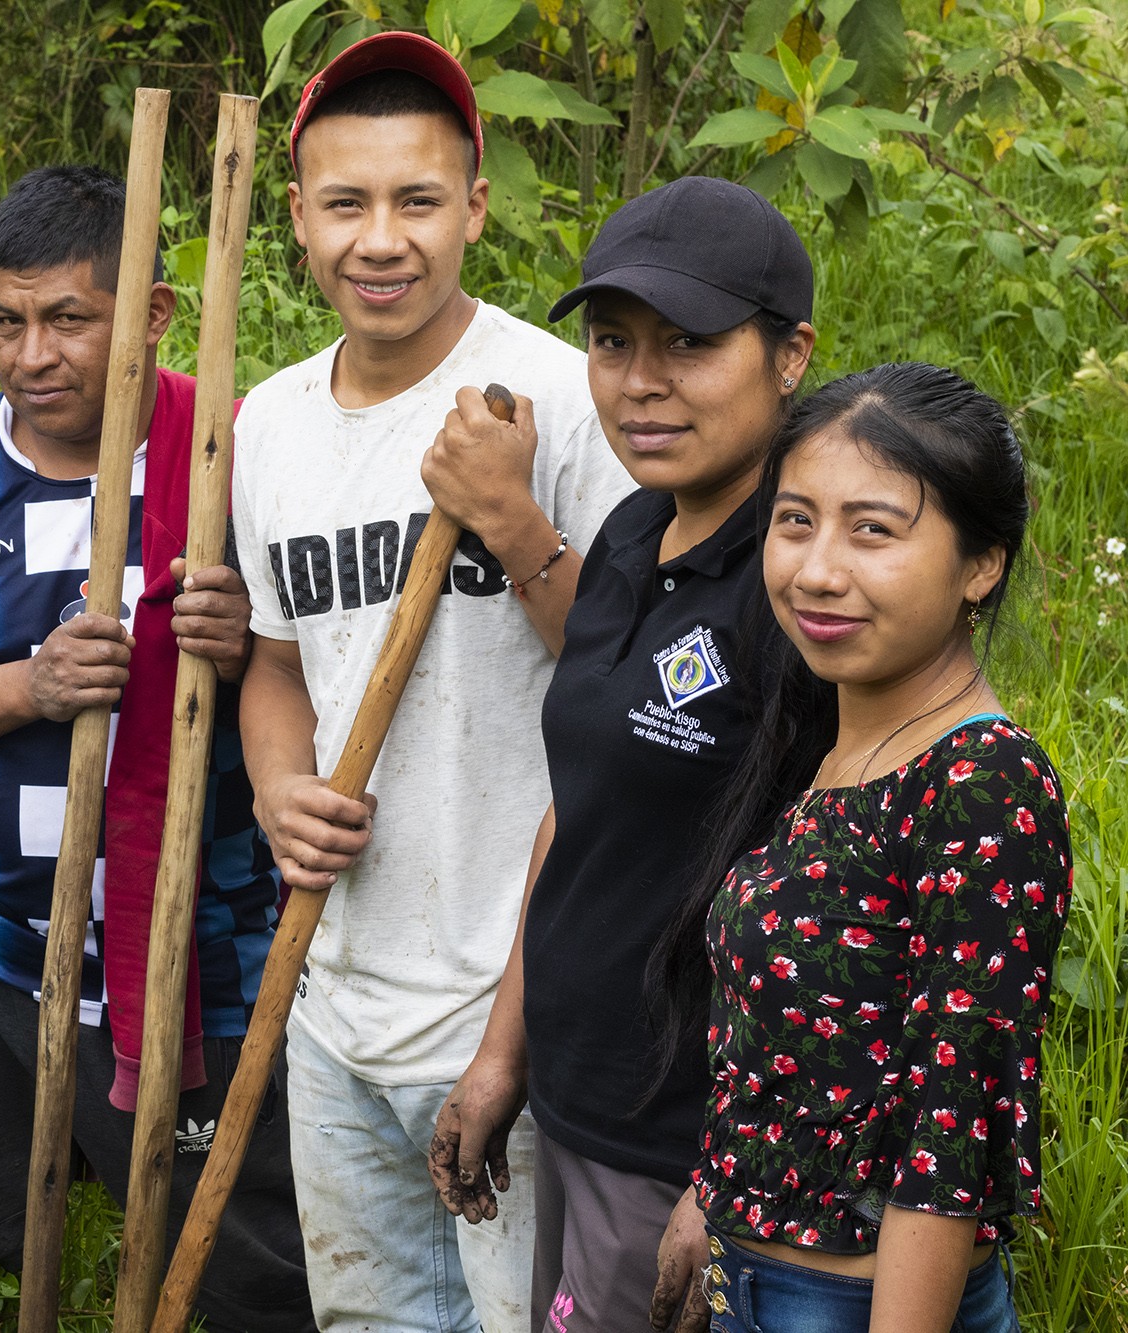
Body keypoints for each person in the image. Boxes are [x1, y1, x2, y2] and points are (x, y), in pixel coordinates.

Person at [0, 165, 314, 1333]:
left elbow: (336, 683)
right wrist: (22, 686)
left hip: (199, 940)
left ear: (149, 317)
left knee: (230, 1253)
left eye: (70, 319)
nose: (33, 355)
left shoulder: (233, 469)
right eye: (8, 320)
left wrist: (248, 652)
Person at [229, 31, 635, 1333]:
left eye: (416, 200)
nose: (381, 239)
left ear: (474, 204)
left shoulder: (562, 401)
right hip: (335, 988)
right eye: (346, 203)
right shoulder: (273, 424)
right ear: (298, 218)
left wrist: (517, 527)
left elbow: (640, 683)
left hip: (512, 995)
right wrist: (279, 788)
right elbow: (276, 663)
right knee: (374, 1320)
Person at [424, 177, 821, 1332]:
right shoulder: (635, 530)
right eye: (611, 342)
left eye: (688, 344)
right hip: (586, 1096)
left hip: (689, 1137)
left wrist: (727, 1164)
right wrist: (508, 1054)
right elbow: (581, 807)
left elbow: (829, 908)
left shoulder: (799, 584)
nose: (639, 382)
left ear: (788, 354)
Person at [644, 361, 1071, 1331]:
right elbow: (799, 1047)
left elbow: (947, 1137)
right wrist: (709, 1197)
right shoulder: (841, 745)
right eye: (794, 520)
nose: (814, 568)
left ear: (980, 562)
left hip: (856, 1302)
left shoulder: (978, 785)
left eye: (871, 529)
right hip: (750, 1279)